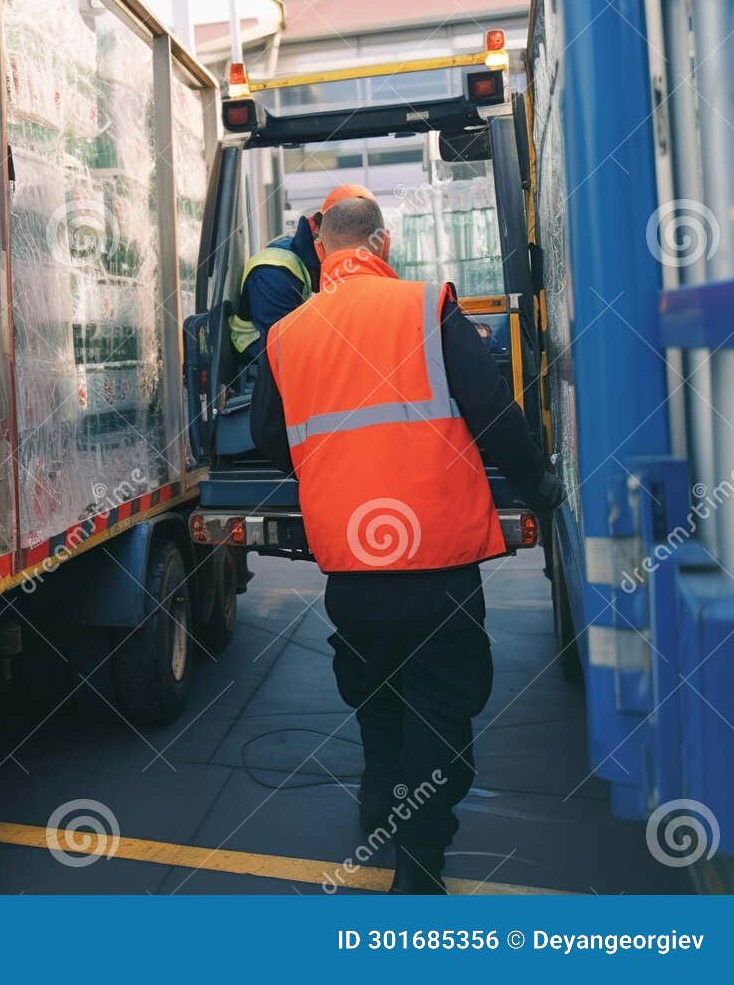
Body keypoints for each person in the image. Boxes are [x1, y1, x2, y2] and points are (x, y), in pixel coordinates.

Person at [249, 195, 561, 894]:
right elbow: (493, 411)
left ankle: (377, 801)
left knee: (375, 687)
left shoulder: (288, 334)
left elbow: (270, 434)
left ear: (321, 251)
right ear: (381, 243)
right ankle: (418, 866)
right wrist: (540, 484)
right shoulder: (424, 306)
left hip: (351, 566)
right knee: (440, 703)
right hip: (436, 558)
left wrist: (332, 468)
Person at [229, 183, 375, 364]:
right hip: (257, 356)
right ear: (317, 229)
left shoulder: (316, 258)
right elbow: (282, 349)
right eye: (343, 237)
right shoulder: (274, 272)